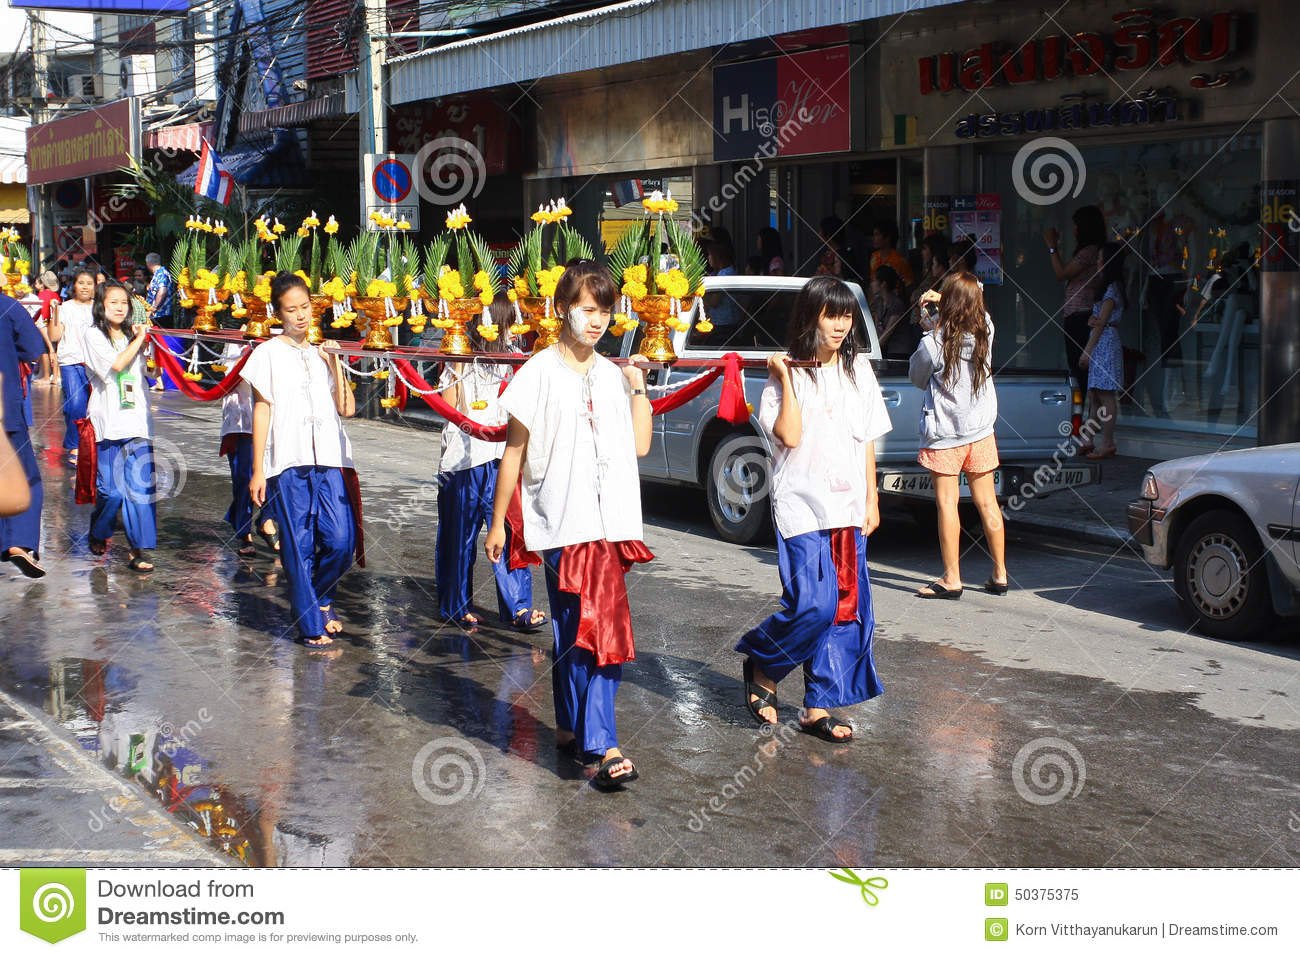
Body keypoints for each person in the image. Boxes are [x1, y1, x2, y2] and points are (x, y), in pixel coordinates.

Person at [485, 260, 653, 790]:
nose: (597, 320)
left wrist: (639, 387)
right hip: (559, 522)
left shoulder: (610, 376)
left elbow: (639, 446)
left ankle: (593, 738)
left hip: (609, 525)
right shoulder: (535, 373)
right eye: (587, 309)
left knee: (597, 628)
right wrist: (497, 525)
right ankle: (588, 734)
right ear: (562, 310)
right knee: (578, 627)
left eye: (605, 310)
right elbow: (513, 454)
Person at [737, 275, 889, 742]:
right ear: (810, 317)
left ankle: (818, 706)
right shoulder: (786, 373)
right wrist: (784, 376)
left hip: (847, 507)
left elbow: (865, 437)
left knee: (846, 607)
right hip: (801, 506)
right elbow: (790, 436)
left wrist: (872, 496)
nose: (841, 324)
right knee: (814, 604)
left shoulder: (857, 369)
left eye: (846, 315)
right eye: (831, 314)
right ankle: (763, 662)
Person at [244, 272, 358, 648]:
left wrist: (335, 363)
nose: (300, 316)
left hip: (329, 457)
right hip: (288, 461)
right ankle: (310, 624)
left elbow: (348, 408)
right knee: (300, 544)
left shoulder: (321, 353)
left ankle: (321, 598)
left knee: (342, 540)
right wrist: (258, 469)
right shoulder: (267, 354)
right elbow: (262, 409)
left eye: (305, 307)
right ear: (278, 314)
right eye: (291, 310)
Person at [436, 294, 545, 631]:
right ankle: (456, 605)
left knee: (511, 531)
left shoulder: (515, 360)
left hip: (502, 459)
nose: (516, 332)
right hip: (463, 462)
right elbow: (448, 406)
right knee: (459, 536)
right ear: (495, 324)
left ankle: (519, 607)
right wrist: (455, 364)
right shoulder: (463, 356)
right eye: (511, 324)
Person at [909, 272, 1008, 598]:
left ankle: (952, 579)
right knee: (987, 503)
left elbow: (917, 378)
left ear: (948, 303)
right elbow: (976, 293)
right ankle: (1000, 573)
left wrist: (933, 314)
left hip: (946, 435)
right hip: (980, 431)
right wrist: (947, 297)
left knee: (948, 504)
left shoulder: (933, 343)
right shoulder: (987, 330)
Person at [81, 280, 158, 573]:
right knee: (111, 492)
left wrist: (153, 359)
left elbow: (149, 372)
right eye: (113, 302)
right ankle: (99, 528)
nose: (119, 307)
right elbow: (115, 366)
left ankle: (138, 549)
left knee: (139, 489)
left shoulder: (132, 334)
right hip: (108, 422)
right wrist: (139, 340)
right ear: (102, 305)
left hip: (137, 420)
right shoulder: (93, 335)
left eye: (124, 303)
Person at [0, 292, 47, 577]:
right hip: (5, 406)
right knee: (23, 478)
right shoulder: (8, 306)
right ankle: (18, 542)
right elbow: (32, 348)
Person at [219, 338, 279, 557]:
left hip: (275, 417)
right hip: (242, 415)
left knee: (274, 473)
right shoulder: (237, 338)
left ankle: (266, 519)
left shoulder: (280, 335)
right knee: (244, 474)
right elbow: (230, 377)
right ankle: (244, 530)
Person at [1045, 205, 1106, 398]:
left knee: (1080, 365)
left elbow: (1061, 274)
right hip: (1077, 313)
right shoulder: (1092, 251)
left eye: (1076, 225)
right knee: (1078, 364)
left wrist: (1052, 247)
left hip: (1081, 313)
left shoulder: (1089, 251)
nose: (1074, 230)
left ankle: (1084, 410)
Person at [1079, 242, 1126, 459]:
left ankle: (1107, 441)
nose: (1097, 263)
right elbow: (1099, 319)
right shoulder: (1108, 289)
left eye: (1100, 259)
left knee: (1105, 394)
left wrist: (1087, 351)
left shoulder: (1111, 289)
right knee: (1095, 393)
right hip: (1102, 340)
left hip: (1104, 343)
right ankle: (1087, 438)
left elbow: (1103, 322)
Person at [47, 268, 96, 465]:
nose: (85, 286)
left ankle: (93, 443)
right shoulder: (65, 307)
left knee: (94, 406)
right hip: (70, 361)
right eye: (81, 282)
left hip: (95, 363)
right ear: (74, 286)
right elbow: (54, 336)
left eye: (89, 283)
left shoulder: (100, 307)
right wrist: (54, 313)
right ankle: (75, 445)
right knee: (76, 403)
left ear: (95, 287)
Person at [870, 265, 917, 360]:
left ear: (883, 284)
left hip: (898, 352)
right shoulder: (878, 302)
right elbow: (875, 329)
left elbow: (888, 331)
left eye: (874, 280)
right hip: (884, 349)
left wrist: (872, 349)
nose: (872, 284)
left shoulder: (896, 304)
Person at [815, 216, 864, 285]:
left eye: (821, 231)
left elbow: (848, 280)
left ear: (828, 234)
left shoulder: (846, 256)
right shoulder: (824, 253)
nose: (819, 234)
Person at [869, 219, 914, 289]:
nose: (874, 238)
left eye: (877, 234)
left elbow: (909, 285)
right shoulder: (874, 256)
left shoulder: (900, 261)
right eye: (874, 235)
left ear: (887, 238)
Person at [35, 271, 60, 385]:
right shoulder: (56, 295)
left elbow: (42, 315)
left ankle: (46, 376)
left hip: (45, 326)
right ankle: (55, 375)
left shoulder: (43, 295)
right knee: (55, 350)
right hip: (56, 326)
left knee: (45, 350)